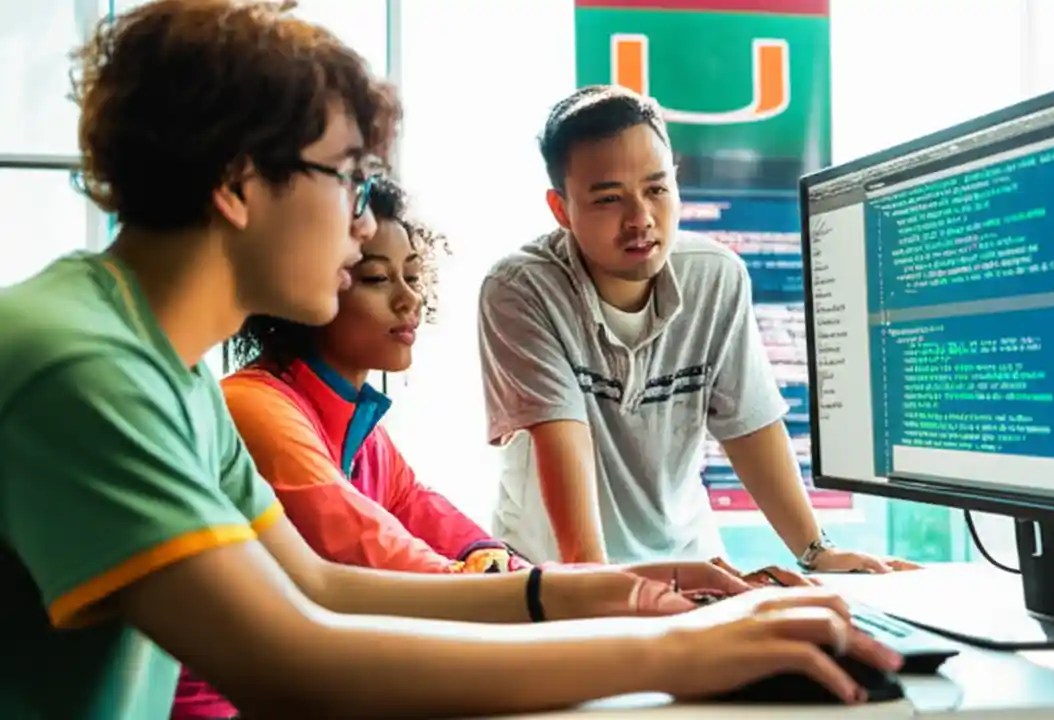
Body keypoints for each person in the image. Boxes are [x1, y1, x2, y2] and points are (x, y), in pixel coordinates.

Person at [0, 2, 900, 716]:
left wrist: (622, 592)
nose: (362, 224)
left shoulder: (171, 367)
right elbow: (292, 664)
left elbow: (322, 586)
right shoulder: (82, 366)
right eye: (347, 177)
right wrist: (671, 650)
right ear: (239, 184)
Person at [171, 177, 768, 719]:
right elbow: (386, 560)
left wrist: (614, 587)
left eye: (412, 275)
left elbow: (439, 527)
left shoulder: (359, 428)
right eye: (377, 278)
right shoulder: (258, 408)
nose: (410, 300)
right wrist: (617, 608)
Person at [479, 85, 922, 572]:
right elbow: (563, 453)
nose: (640, 219)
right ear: (561, 209)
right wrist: (595, 586)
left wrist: (817, 553)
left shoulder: (715, 276)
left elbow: (748, 426)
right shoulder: (520, 289)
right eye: (609, 199)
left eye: (657, 189)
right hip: (554, 574)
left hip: (688, 565)